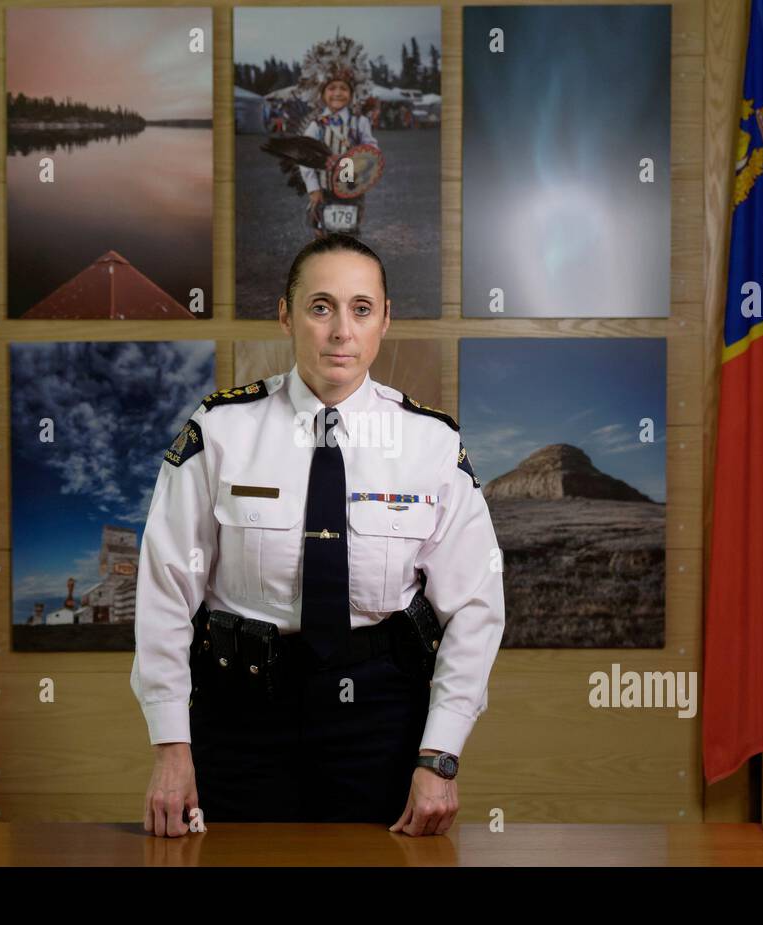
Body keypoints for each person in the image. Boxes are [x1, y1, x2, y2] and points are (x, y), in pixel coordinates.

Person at [133, 234, 504, 838]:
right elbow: (166, 591)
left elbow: (476, 607)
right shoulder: (220, 431)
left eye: (361, 309)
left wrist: (439, 755)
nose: (341, 331)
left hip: (381, 719)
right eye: (320, 306)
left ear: (386, 320)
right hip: (241, 712)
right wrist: (171, 747)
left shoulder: (430, 445)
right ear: (286, 315)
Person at [294, 34, 380, 237]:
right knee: (321, 234)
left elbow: (371, 148)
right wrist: (313, 188)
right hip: (323, 191)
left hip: (353, 190)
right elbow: (304, 157)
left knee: (349, 234)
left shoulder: (359, 122)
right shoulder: (316, 126)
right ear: (321, 94)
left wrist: (366, 162)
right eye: (331, 88)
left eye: (343, 88)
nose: (337, 93)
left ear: (352, 93)